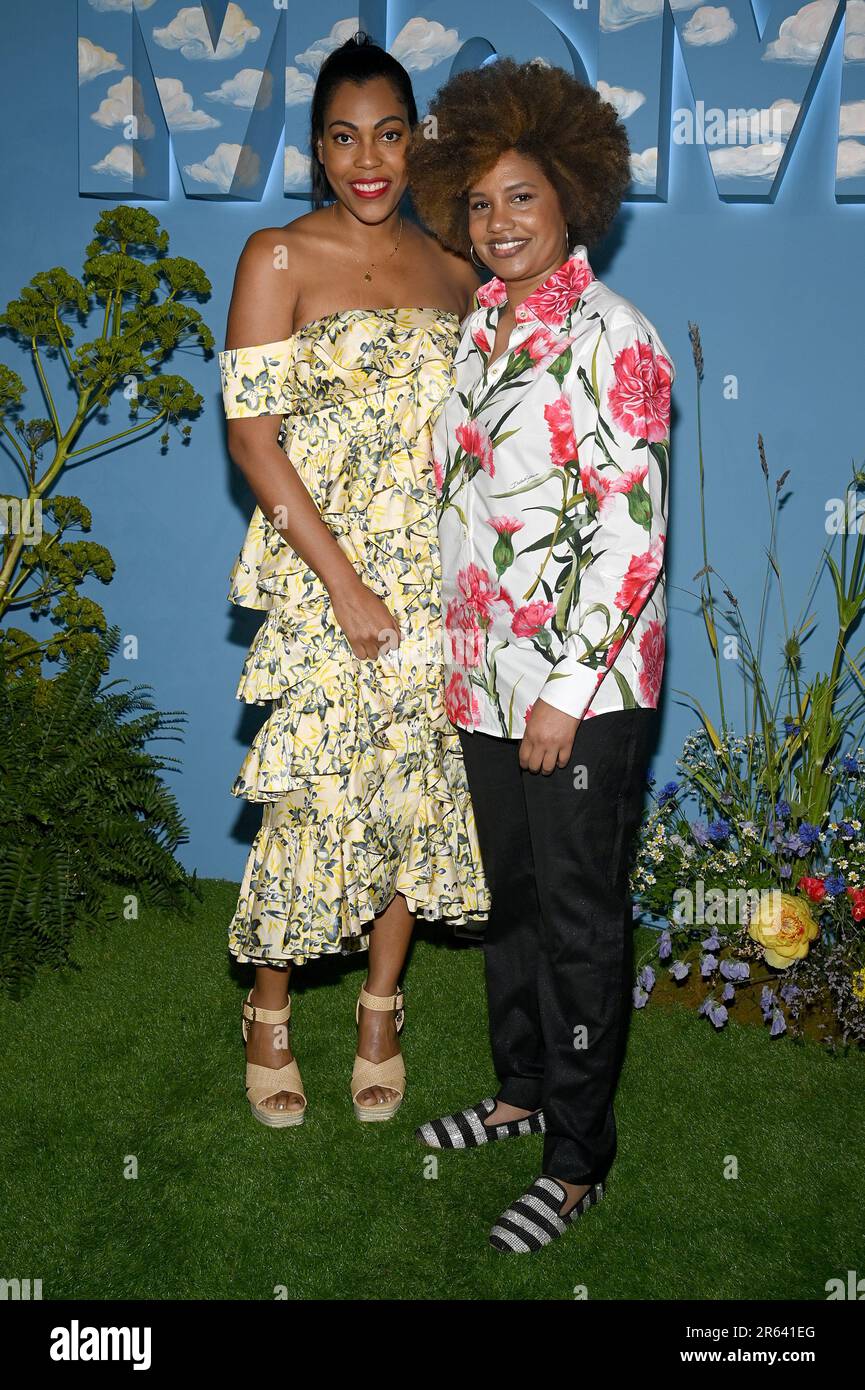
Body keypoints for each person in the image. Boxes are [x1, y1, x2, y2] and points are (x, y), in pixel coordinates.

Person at [407, 57, 675, 1250]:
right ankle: (520, 1091)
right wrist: (462, 665)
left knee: (575, 918)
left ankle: (578, 1161)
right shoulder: (476, 328)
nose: (498, 222)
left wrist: (563, 693)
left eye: (521, 197)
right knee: (509, 904)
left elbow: (633, 529)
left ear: (572, 197)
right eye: (479, 202)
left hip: (584, 689)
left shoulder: (616, 334)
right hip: (484, 679)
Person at [218, 33, 490, 1129]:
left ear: (414, 139)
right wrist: (342, 586)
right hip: (325, 571)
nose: (367, 159)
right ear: (317, 147)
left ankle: (382, 1007)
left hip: (436, 580)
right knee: (316, 795)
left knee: (413, 798)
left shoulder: (456, 270)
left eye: (388, 133)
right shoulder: (276, 257)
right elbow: (250, 439)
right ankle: (269, 1013)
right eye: (343, 136)